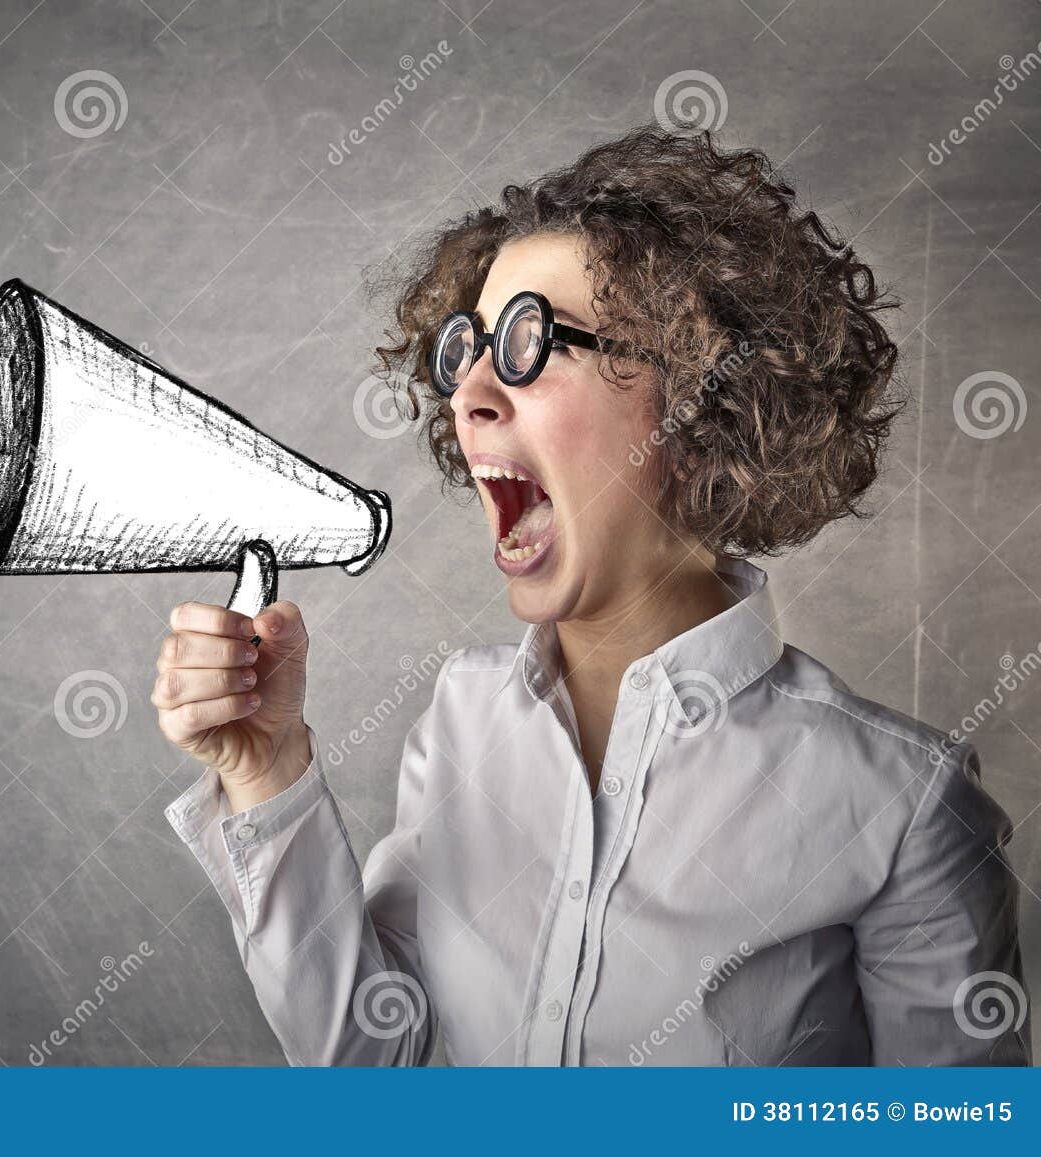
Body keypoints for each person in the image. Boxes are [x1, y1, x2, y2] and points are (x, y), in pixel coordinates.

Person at [150, 126, 1031, 1066]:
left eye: (531, 343)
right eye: (466, 351)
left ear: (701, 407)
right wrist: (266, 770)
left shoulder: (901, 803)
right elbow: (375, 1064)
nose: (470, 393)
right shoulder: (462, 719)